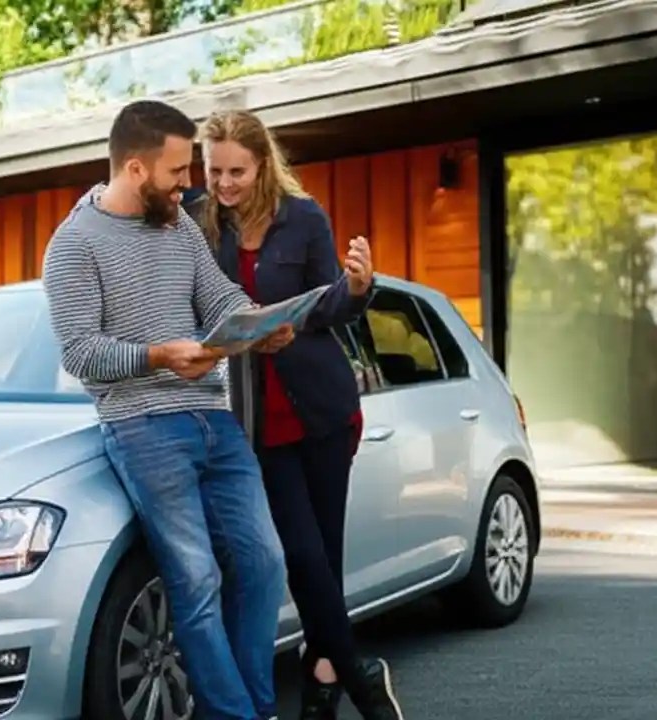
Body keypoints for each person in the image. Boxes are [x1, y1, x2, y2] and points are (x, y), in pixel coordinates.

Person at [41, 99, 295, 720]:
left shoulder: (178, 228)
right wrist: (157, 355)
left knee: (263, 564)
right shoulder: (73, 246)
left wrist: (257, 326)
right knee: (197, 580)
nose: (191, 185)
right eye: (178, 171)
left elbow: (218, 297)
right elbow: (80, 352)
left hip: (215, 421)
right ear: (135, 169)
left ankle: (249, 707)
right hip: (144, 429)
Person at [185, 108, 405, 720]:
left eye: (237, 171)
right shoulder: (199, 219)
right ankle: (363, 677)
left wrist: (357, 288)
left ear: (262, 165)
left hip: (322, 407)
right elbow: (195, 303)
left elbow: (330, 304)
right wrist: (241, 334)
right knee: (301, 556)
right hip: (257, 418)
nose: (225, 184)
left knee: (323, 557)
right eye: (215, 170)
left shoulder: (303, 217)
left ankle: (321, 684)